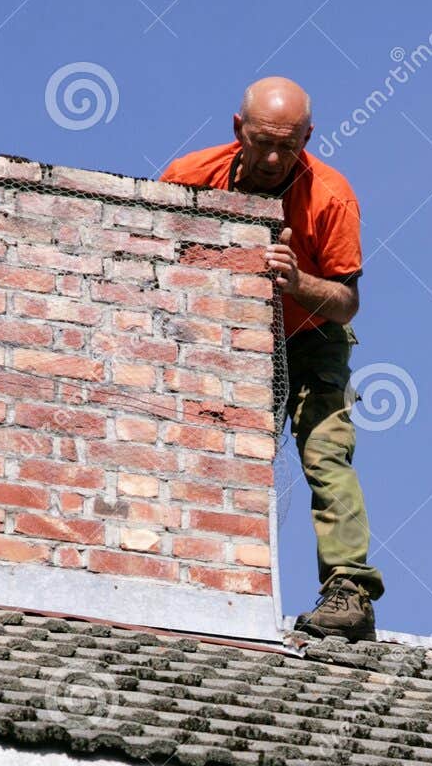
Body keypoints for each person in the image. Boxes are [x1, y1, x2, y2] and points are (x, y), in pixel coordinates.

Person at [161, 76, 384, 642]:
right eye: (263, 141)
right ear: (240, 129)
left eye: (289, 145)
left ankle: (349, 591)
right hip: (221, 332)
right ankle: (187, 567)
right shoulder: (188, 178)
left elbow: (347, 303)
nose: (274, 157)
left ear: (308, 137)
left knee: (326, 452)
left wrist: (297, 282)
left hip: (312, 339)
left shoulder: (331, 197)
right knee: (209, 448)